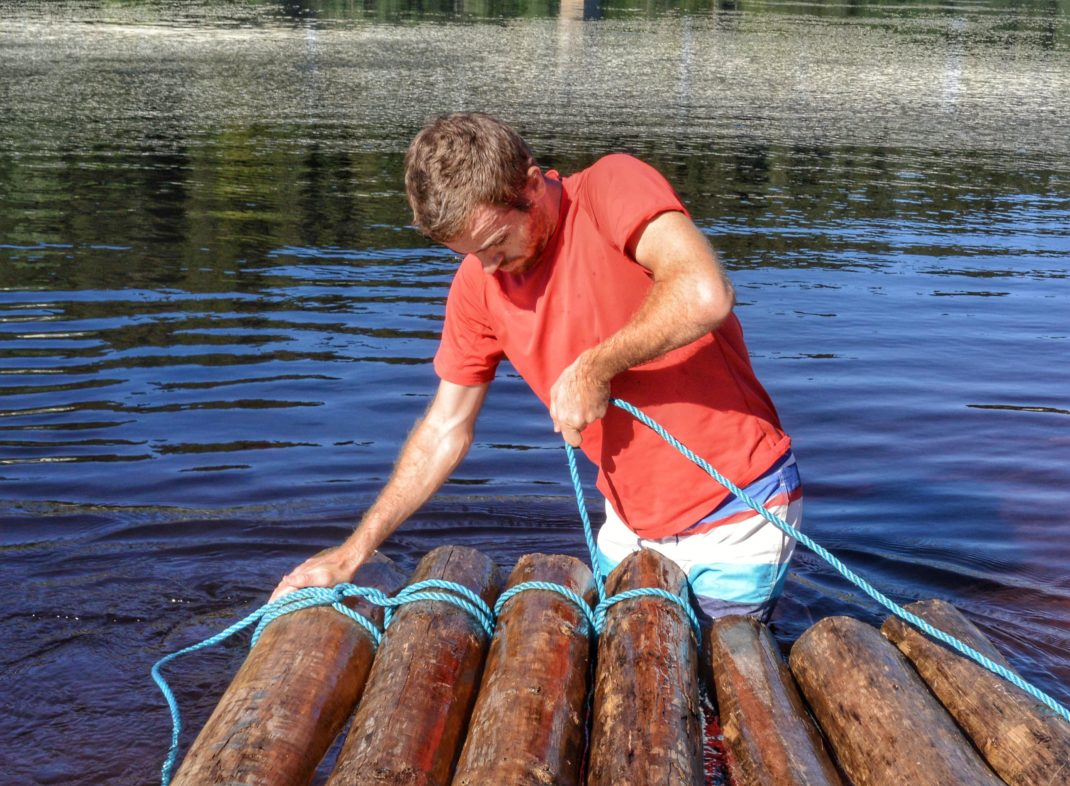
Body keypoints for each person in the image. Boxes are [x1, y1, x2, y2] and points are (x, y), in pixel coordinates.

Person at [272, 112, 801, 622]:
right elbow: (444, 429)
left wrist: (595, 368)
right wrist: (352, 552)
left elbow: (705, 292)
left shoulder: (609, 188)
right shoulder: (478, 284)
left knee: (703, 687)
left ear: (530, 185)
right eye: (468, 254)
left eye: (495, 243)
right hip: (629, 526)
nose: (488, 267)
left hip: (737, 514)